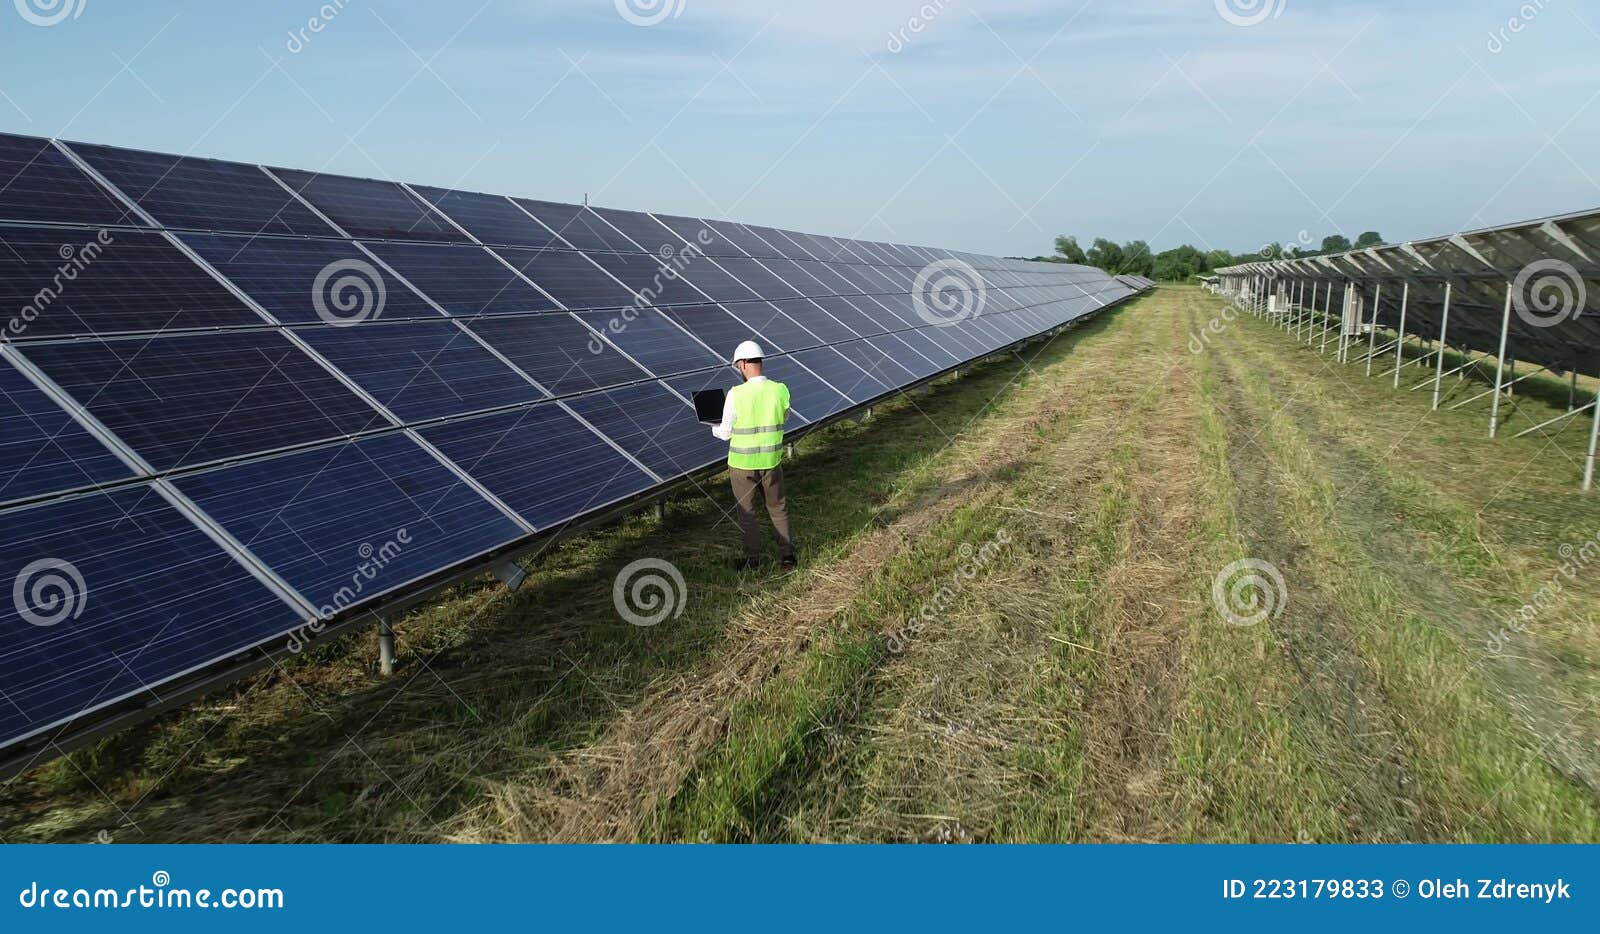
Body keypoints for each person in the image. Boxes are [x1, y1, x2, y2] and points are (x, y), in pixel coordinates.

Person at [711, 340, 797, 571]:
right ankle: (787, 556)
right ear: (760, 362)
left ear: (743, 364)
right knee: (778, 507)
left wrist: (713, 426)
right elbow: (784, 417)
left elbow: (725, 433)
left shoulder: (735, 394)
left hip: (742, 465)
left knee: (747, 512)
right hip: (771, 462)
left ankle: (753, 560)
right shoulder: (780, 389)